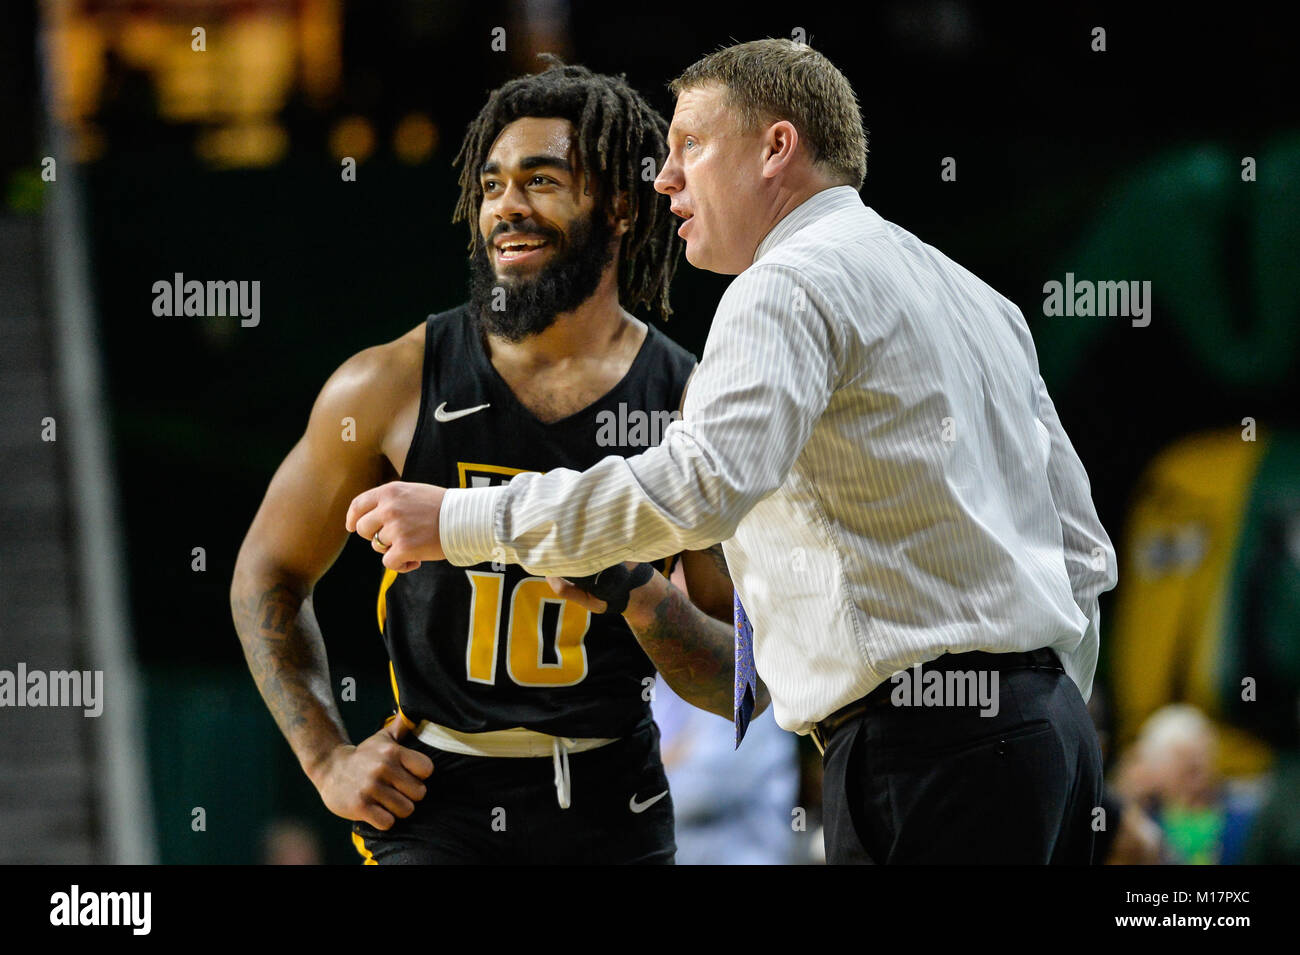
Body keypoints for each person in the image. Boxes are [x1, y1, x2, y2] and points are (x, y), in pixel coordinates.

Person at [346, 39, 1119, 864]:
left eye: (691, 147)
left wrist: (461, 518)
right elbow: (1081, 546)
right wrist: (1038, 714)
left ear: (776, 148)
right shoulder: (978, 298)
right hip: (1048, 740)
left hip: (930, 746)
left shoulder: (783, 281)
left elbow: (698, 485)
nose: (665, 177)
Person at [231, 60, 740, 864]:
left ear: (617, 205)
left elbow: (736, 679)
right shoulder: (391, 380)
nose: (507, 205)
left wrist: (637, 593)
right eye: (494, 184)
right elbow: (267, 570)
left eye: (540, 180)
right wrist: (327, 757)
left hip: (616, 799)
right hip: (436, 801)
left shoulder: (691, 402)